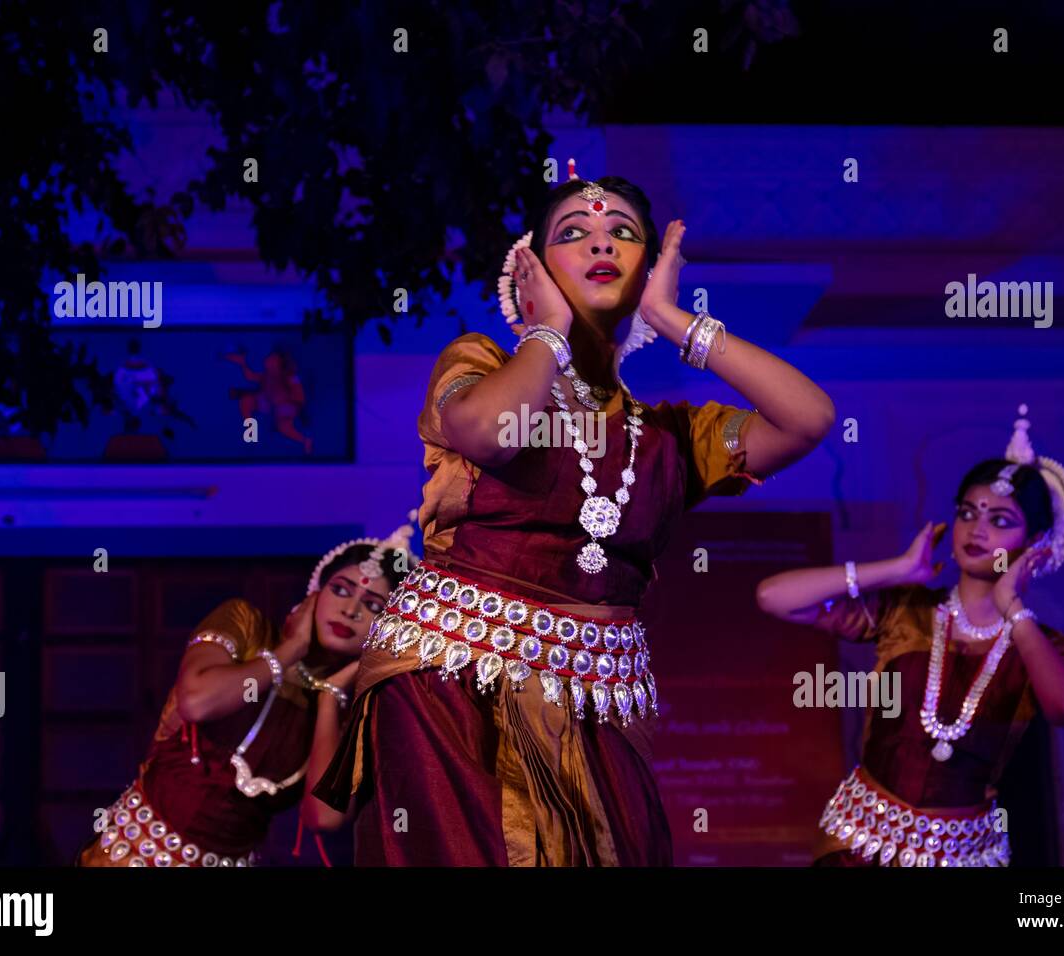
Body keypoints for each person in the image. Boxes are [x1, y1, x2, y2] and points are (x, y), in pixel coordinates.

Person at [313, 162, 836, 865]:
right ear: (530, 266)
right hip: (452, 688)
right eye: (572, 233)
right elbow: (488, 434)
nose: (601, 243)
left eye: (623, 232)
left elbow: (808, 419)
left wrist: (672, 320)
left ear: (649, 268)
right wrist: (549, 331)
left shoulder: (673, 436)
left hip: (596, 707)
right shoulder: (478, 365)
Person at [756, 405, 1064, 866]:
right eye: (968, 513)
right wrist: (896, 569)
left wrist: (1013, 607)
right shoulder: (907, 612)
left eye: (1000, 520)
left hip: (963, 854)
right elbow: (774, 597)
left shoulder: (1041, 645)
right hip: (862, 847)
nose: (977, 529)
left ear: (1035, 544)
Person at [78, 518, 418, 867]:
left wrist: (330, 697)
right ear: (316, 591)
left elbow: (324, 816)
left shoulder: (350, 710)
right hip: (127, 855)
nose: (350, 610)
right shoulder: (247, 626)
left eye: (373, 606)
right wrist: (290, 651)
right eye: (341, 590)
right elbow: (196, 702)